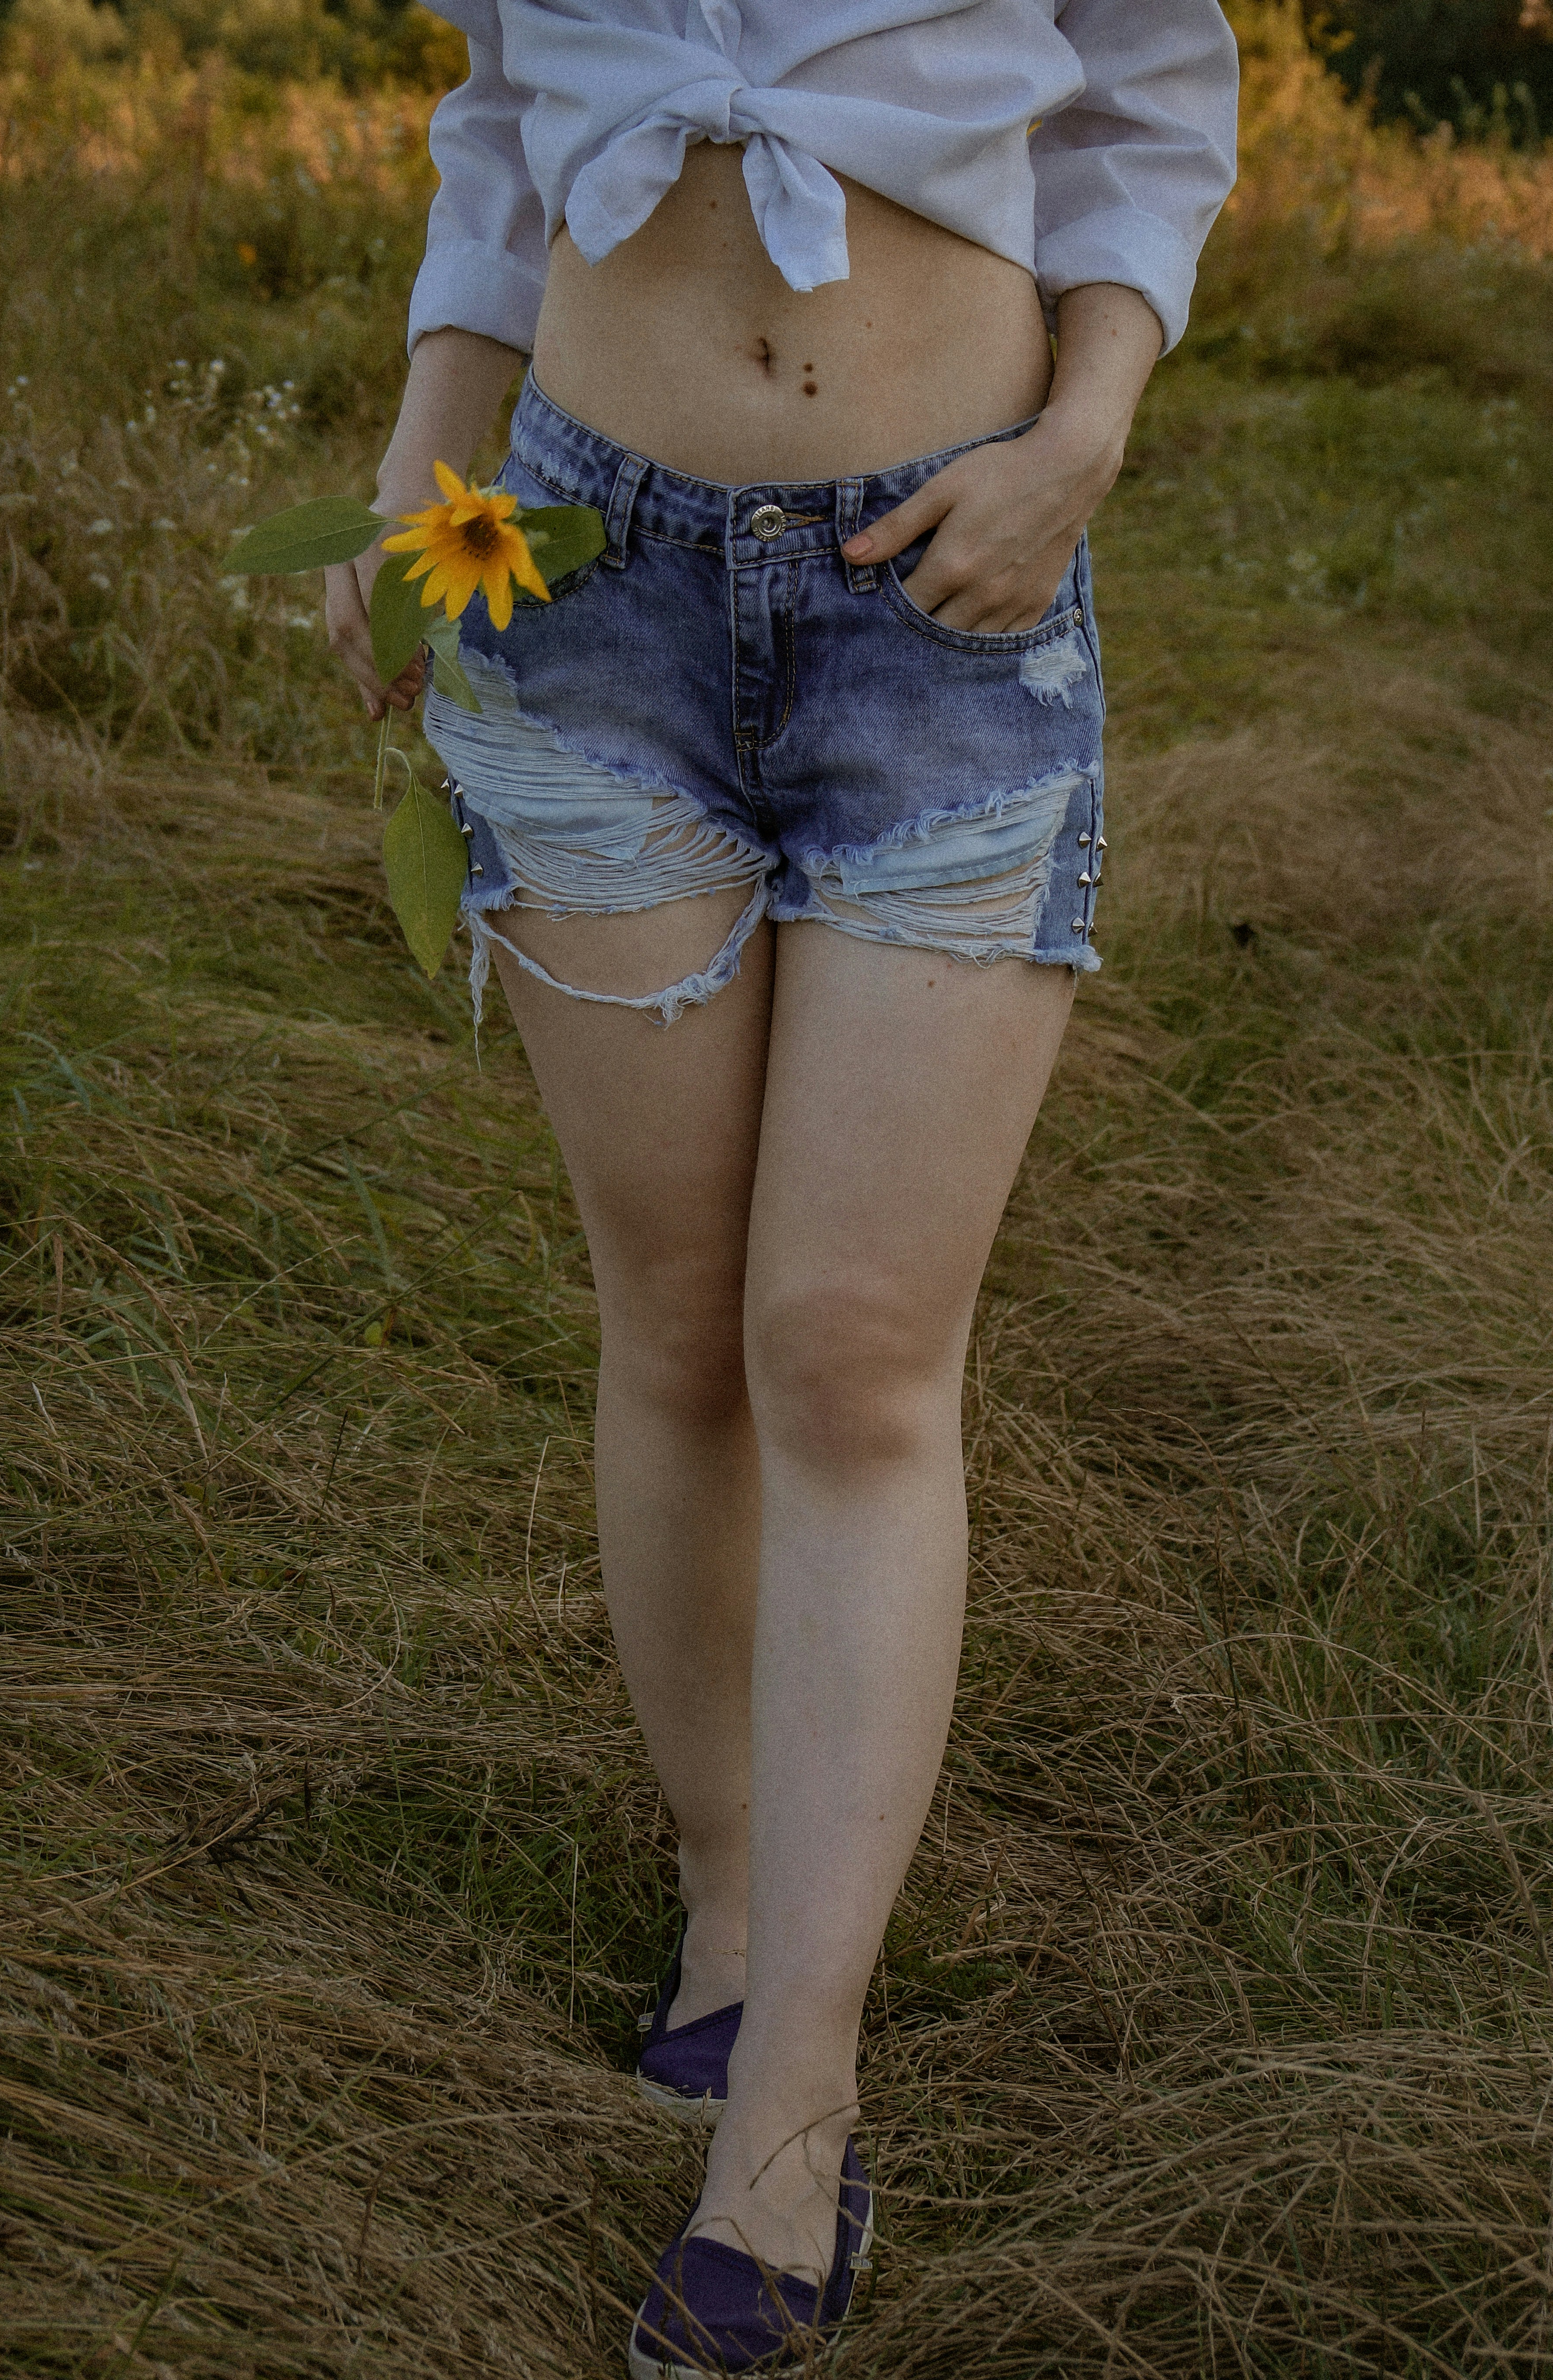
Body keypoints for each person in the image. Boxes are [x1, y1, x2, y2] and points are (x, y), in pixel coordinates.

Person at [325, 4, 1237, 2370]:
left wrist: (1084, 437)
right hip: (571, 587)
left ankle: (796, 2121)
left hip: (946, 592)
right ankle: (730, 1913)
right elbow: (505, 133)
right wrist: (416, 492)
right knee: (676, 1314)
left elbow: (1154, 95)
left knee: (847, 1354)